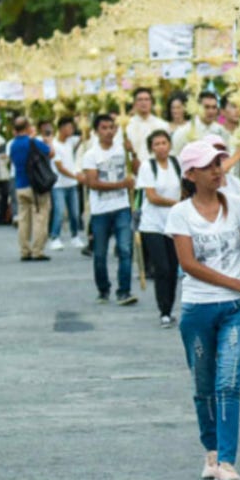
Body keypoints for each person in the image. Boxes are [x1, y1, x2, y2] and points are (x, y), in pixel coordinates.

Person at [167, 138, 240, 480]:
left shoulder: (237, 204)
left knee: (228, 383)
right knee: (204, 385)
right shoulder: (180, 213)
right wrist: (236, 283)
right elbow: (189, 264)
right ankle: (211, 450)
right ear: (191, 174)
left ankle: (227, 460)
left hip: (235, 310)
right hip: (197, 309)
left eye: (219, 163)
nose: (217, 170)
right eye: (209, 165)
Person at [82, 113, 137, 305]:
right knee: (100, 253)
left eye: (111, 127)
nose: (108, 132)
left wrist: (133, 153)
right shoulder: (91, 155)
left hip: (122, 207)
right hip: (100, 211)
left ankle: (124, 290)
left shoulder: (122, 149)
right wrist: (122, 184)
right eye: (104, 128)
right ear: (96, 132)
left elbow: (136, 170)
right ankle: (103, 289)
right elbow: (93, 183)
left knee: (125, 249)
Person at [138, 129, 183, 327]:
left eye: (164, 143)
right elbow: (152, 196)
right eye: (156, 144)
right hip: (152, 225)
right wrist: (176, 203)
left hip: (173, 224)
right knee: (162, 267)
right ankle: (163, 310)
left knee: (173, 267)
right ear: (151, 148)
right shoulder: (148, 167)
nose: (161, 147)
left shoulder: (176, 164)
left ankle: (169, 306)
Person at [9, 116, 52, 261]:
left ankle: (24, 250)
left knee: (23, 220)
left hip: (20, 185)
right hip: (36, 186)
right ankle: (37, 250)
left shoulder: (13, 145)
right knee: (40, 218)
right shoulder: (33, 142)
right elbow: (50, 153)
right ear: (27, 127)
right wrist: (48, 141)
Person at [48, 117, 83, 251]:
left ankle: (75, 236)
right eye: (69, 127)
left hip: (72, 184)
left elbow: (84, 137)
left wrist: (82, 122)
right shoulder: (54, 145)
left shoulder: (70, 141)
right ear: (61, 128)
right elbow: (60, 167)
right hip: (58, 185)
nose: (71, 130)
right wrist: (75, 176)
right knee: (59, 211)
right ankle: (55, 237)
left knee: (75, 212)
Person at [125, 87, 169, 170]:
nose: (143, 103)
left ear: (151, 103)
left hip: (157, 169)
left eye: (147, 99)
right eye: (140, 100)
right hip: (134, 170)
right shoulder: (127, 126)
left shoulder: (162, 125)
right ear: (134, 103)